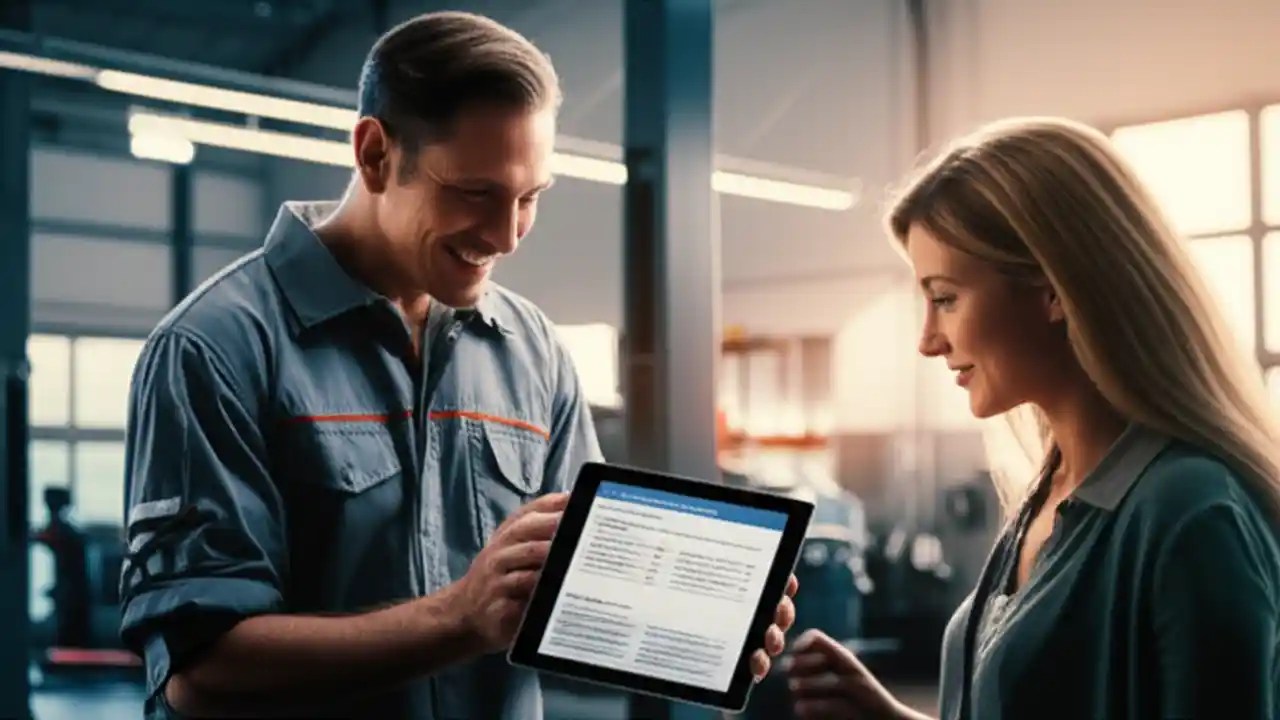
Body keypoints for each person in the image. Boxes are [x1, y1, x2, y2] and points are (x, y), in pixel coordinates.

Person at [117, 11, 796, 719]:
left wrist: (701, 628)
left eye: (530, 198)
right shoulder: (215, 349)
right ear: (376, 154)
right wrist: (457, 618)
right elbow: (200, 673)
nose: (506, 235)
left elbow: (577, 607)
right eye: (475, 193)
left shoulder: (532, 350)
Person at [786, 116, 1280, 720]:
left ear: (1053, 289)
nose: (927, 340)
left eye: (944, 298)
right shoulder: (1049, 494)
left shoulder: (1193, 513)